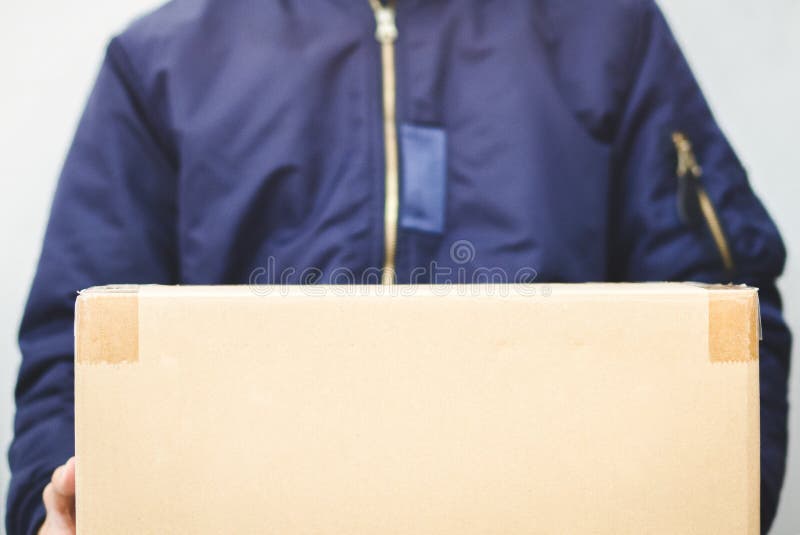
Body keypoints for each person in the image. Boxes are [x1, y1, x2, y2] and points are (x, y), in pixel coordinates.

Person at [7, 1, 791, 534]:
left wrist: (714, 500)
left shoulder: (607, 33)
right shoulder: (164, 59)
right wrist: (57, 505)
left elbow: (724, 323)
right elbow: (77, 349)